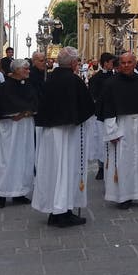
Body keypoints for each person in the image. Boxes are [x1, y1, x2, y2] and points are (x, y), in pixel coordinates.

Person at [33, 47, 96, 227]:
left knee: (52, 172)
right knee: (65, 170)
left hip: (49, 133)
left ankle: (54, 211)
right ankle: (63, 212)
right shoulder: (74, 81)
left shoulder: (50, 79)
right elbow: (87, 106)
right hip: (67, 134)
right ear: (74, 63)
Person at [100, 51, 138, 209]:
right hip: (122, 125)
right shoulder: (111, 83)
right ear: (119, 64)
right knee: (123, 161)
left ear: (135, 63)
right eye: (123, 63)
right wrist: (111, 131)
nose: (126, 65)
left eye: (129, 62)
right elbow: (107, 108)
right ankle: (124, 196)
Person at [0, 58, 38, 208]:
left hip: (25, 127)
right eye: (25, 69)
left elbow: (35, 102)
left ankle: (20, 192)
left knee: (24, 159)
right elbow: (0, 106)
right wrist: (18, 113)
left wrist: (26, 112)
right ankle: (2, 193)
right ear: (16, 70)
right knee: (7, 159)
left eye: (28, 68)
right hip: (10, 127)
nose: (28, 71)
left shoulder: (29, 85)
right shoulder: (5, 87)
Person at [87, 51, 115, 180]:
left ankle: (113, 165)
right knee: (101, 141)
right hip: (100, 115)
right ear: (105, 63)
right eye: (111, 62)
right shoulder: (95, 79)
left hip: (113, 113)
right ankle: (101, 167)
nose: (113, 64)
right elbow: (93, 96)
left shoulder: (115, 77)